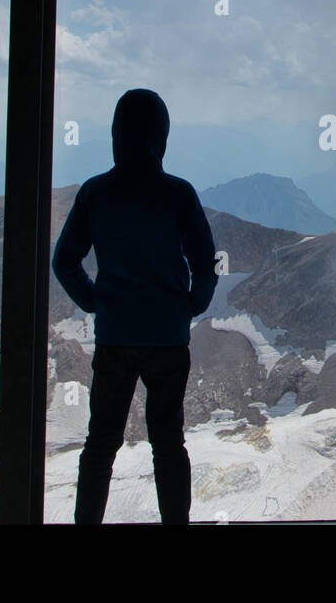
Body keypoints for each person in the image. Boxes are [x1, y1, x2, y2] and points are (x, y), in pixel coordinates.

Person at [52, 88, 218, 524]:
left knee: (101, 444)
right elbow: (204, 260)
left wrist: (94, 301)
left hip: (115, 336)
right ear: (161, 138)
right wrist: (191, 306)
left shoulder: (95, 192)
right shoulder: (179, 194)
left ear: (115, 135)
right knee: (168, 444)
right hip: (167, 338)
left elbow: (64, 261)